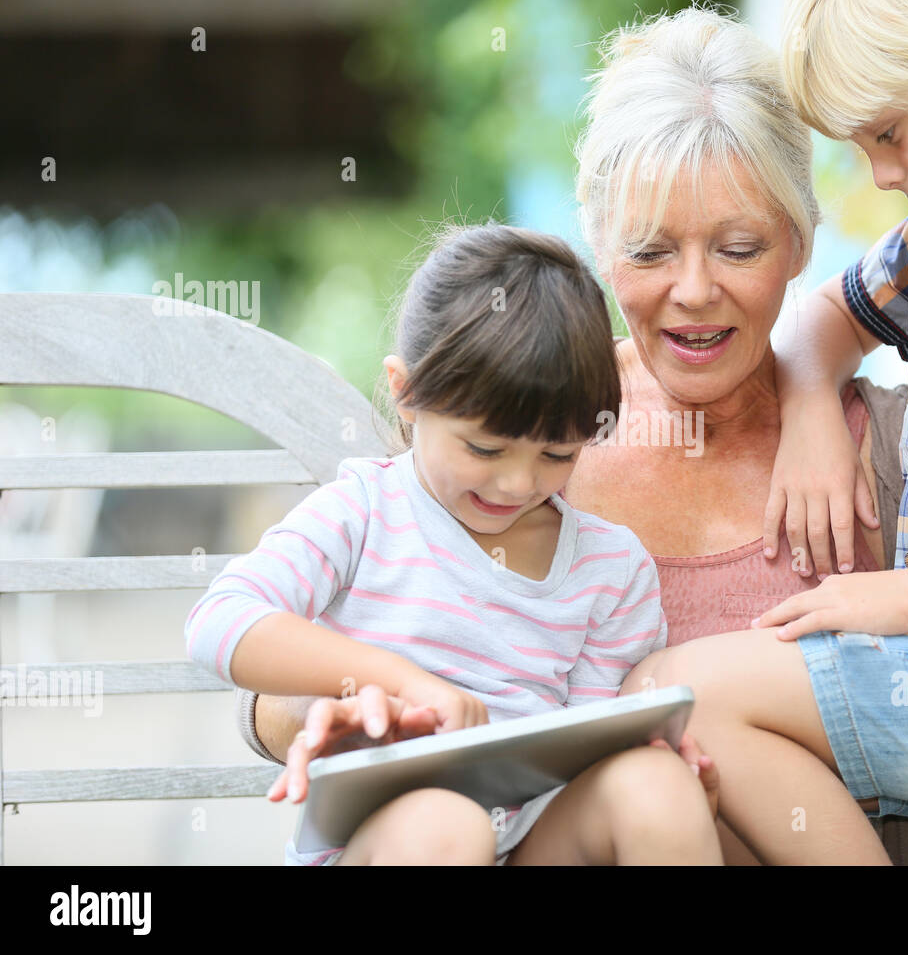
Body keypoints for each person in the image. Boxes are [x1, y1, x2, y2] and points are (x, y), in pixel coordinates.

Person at [236, 7, 908, 864]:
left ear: (798, 240)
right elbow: (306, 660)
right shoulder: (521, 426)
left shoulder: (889, 443)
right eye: (650, 250)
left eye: (739, 246)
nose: (693, 292)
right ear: (599, 243)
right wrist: (331, 709)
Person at [185, 223, 723, 866]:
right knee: (447, 825)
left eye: (558, 453)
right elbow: (218, 623)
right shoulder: (365, 512)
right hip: (399, 843)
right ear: (406, 394)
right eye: (485, 448)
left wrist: (664, 778)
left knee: (654, 787)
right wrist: (403, 683)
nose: (518, 482)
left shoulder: (610, 569)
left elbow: (583, 754)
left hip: (531, 841)